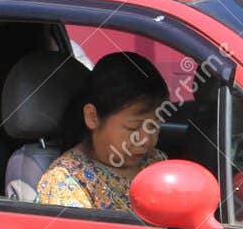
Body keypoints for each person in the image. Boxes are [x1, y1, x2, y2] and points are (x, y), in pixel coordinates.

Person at [35, 52, 168, 213]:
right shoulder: (66, 180)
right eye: (132, 128)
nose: (145, 140)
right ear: (92, 117)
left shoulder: (155, 162)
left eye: (153, 127)